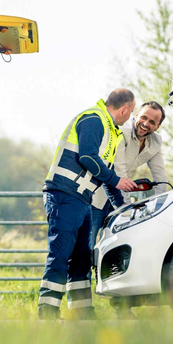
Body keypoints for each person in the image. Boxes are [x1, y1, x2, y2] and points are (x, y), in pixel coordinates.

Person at [38, 89, 137, 320]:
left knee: (82, 257)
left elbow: (107, 174)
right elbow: (88, 158)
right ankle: (47, 315)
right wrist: (116, 180)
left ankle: (82, 314)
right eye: (131, 112)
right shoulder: (94, 119)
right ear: (124, 109)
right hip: (64, 195)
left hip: (81, 200)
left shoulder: (111, 131)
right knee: (61, 254)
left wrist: (122, 207)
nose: (129, 117)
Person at [90, 101, 169, 241]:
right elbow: (118, 169)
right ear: (137, 115)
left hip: (121, 200)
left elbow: (160, 176)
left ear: (158, 126)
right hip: (98, 196)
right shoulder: (121, 131)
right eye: (143, 117)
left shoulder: (156, 142)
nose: (145, 124)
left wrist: (161, 207)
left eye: (152, 122)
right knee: (86, 247)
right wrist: (125, 207)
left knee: (115, 247)